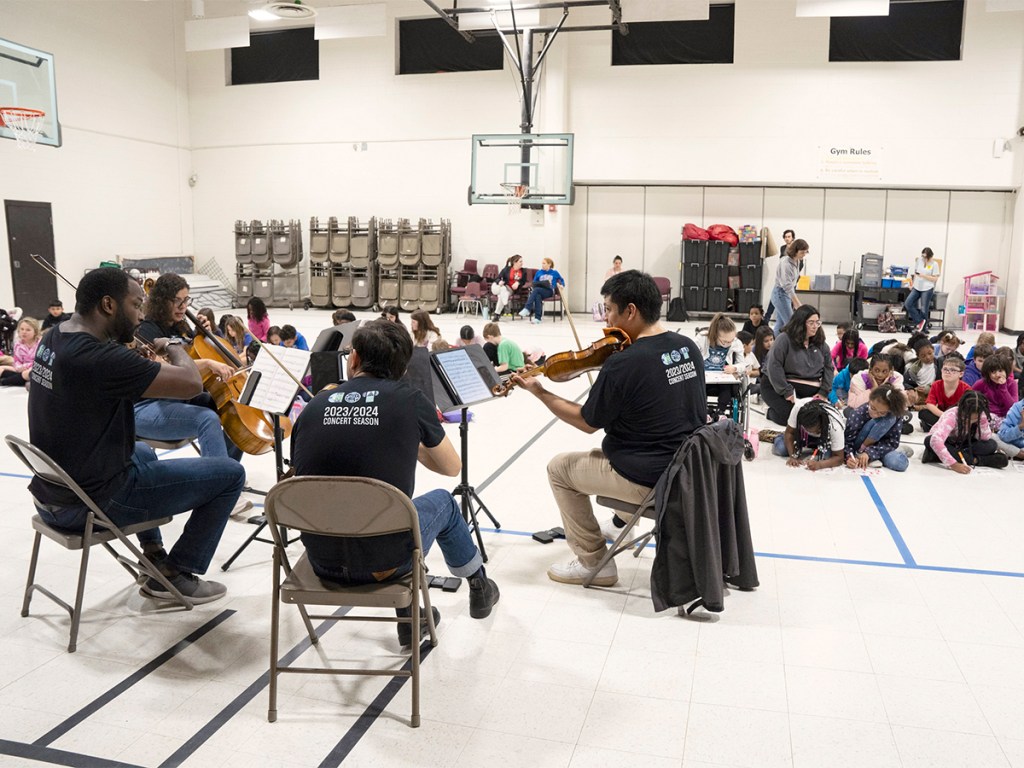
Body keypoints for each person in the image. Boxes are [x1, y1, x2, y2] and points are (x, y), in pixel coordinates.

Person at [27, 268, 245, 603]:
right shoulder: (99, 359)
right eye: (136, 304)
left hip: (52, 494)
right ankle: (177, 573)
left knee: (142, 451)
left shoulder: (55, 337)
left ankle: (154, 554)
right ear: (108, 305)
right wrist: (173, 345)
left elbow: (97, 382)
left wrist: (130, 361)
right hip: (92, 503)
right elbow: (191, 384)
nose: (141, 315)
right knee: (231, 474)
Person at [289, 320, 499, 645]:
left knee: (372, 511)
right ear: (402, 369)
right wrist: (405, 438)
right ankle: (478, 585)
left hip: (322, 560)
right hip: (384, 565)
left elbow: (296, 481)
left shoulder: (314, 405)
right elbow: (451, 467)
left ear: (354, 358)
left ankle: (413, 616)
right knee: (439, 501)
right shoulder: (410, 400)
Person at [510, 270, 707, 586]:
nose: (606, 321)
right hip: (690, 469)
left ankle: (594, 562)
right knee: (602, 452)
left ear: (631, 311)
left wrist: (540, 391)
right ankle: (622, 520)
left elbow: (588, 422)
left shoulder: (624, 363)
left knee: (560, 468)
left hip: (650, 478)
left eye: (610, 311)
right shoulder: (688, 347)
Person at [134, 273, 243, 461]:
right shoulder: (147, 330)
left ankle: (227, 468)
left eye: (186, 300)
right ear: (161, 301)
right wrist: (208, 364)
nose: (183, 306)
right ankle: (217, 477)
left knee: (234, 410)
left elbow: (196, 355)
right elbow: (169, 371)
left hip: (180, 398)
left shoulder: (181, 327)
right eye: (176, 301)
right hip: (148, 404)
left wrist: (210, 333)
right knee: (207, 419)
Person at [762, 305, 833, 425]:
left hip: (810, 389)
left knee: (816, 418)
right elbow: (774, 366)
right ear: (800, 323)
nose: (815, 326)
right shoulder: (784, 339)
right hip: (778, 386)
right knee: (790, 417)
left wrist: (823, 392)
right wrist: (786, 391)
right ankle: (770, 412)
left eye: (817, 322)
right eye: (811, 322)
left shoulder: (821, 343)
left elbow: (829, 368)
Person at [922, 391, 1009, 472]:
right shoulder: (951, 416)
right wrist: (953, 464)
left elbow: (984, 438)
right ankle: (977, 460)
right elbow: (935, 440)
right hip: (948, 442)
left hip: (963, 444)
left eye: (974, 419)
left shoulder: (981, 415)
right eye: (966, 418)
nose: (970, 421)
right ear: (961, 408)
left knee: (992, 445)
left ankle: (938, 456)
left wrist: (981, 421)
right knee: (929, 440)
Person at [844, 384, 913, 471]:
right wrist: (849, 458)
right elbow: (847, 442)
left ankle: (899, 451)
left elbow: (892, 442)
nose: (875, 414)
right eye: (873, 408)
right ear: (870, 400)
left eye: (882, 413)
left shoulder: (894, 415)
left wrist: (869, 453)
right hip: (859, 447)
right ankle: (868, 456)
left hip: (880, 448)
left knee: (899, 463)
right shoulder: (857, 414)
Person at [771, 397, 846, 471]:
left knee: (827, 457)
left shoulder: (835, 425)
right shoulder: (799, 408)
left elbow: (839, 457)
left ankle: (814, 446)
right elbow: (790, 432)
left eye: (816, 431)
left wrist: (819, 465)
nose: (811, 433)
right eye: (807, 429)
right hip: (802, 437)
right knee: (781, 448)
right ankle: (779, 436)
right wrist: (793, 456)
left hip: (825, 440)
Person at [700, 313, 744, 416]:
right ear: (715, 335)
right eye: (724, 341)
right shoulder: (702, 339)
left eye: (731, 340)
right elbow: (691, 355)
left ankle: (720, 412)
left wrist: (735, 368)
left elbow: (743, 364)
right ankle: (704, 412)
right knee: (698, 388)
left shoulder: (736, 343)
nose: (728, 344)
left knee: (727, 388)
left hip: (723, 376)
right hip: (705, 376)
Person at [920, 353, 969, 432]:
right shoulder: (936, 384)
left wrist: (952, 418)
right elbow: (929, 404)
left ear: (961, 374)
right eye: (945, 369)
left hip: (957, 417)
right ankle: (947, 428)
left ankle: (935, 426)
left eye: (952, 370)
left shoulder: (966, 389)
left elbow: (967, 411)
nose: (947, 372)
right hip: (941, 415)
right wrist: (944, 415)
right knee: (923, 413)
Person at [770, 238, 809, 335]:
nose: (804, 255)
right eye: (802, 252)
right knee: (791, 323)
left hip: (786, 294)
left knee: (781, 323)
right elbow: (787, 286)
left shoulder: (797, 261)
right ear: (795, 251)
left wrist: (794, 300)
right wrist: (797, 303)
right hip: (780, 294)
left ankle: (774, 345)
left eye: (806, 252)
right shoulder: (786, 263)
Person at [519, 257, 565, 324]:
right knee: (537, 296)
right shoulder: (539, 272)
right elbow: (534, 282)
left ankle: (527, 308)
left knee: (537, 290)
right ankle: (538, 319)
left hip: (550, 291)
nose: (542, 265)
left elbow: (562, 280)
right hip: (540, 290)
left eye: (544, 263)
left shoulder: (555, 272)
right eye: (542, 263)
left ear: (549, 264)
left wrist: (562, 285)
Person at [905, 247, 940, 332]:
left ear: (930, 256)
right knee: (908, 303)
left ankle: (923, 329)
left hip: (927, 288)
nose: (924, 258)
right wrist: (912, 284)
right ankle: (920, 322)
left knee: (924, 308)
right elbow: (915, 273)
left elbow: (935, 279)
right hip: (917, 286)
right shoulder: (919, 261)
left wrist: (923, 276)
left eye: (925, 257)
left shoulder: (934, 264)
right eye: (923, 256)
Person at [972, 353, 1018, 419]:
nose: (997, 375)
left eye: (1000, 371)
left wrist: (1003, 388)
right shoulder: (981, 383)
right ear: (988, 373)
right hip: (987, 416)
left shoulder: (1012, 384)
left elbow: (1013, 408)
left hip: (1007, 417)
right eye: (993, 372)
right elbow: (969, 397)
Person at [764, 229, 794, 324]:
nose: (787, 239)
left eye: (789, 236)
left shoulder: (795, 249)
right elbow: (781, 261)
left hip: (790, 278)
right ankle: (767, 318)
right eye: (785, 237)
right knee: (775, 298)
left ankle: (784, 318)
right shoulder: (783, 248)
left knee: (788, 301)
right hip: (781, 277)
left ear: (793, 237)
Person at [0, 317, 41, 387]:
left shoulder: (41, 343)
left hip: (35, 369)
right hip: (21, 369)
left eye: (28, 330)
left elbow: (41, 362)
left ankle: (4, 382)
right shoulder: (18, 344)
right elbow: (17, 361)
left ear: (35, 332)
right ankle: (20, 379)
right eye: (22, 329)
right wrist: (19, 367)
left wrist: (26, 366)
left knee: (28, 373)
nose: (24, 332)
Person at [904, 337, 937, 406]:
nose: (927, 357)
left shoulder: (940, 363)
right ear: (918, 356)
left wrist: (930, 387)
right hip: (920, 393)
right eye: (923, 356)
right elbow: (905, 382)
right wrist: (912, 389)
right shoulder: (914, 368)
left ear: (933, 350)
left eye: (930, 353)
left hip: (935, 390)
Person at [491, 255, 525, 320]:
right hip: (500, 287)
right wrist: (499, 282)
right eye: (520, 261)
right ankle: (501, 306)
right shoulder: (506, 269)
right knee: (499, 288)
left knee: (502, 293)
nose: (522, 263)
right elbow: (497, 278)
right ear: (515, 262)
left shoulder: (523, 271)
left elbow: (523, 281)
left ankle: (497, 315)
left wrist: (518, 283)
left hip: (509, 289)